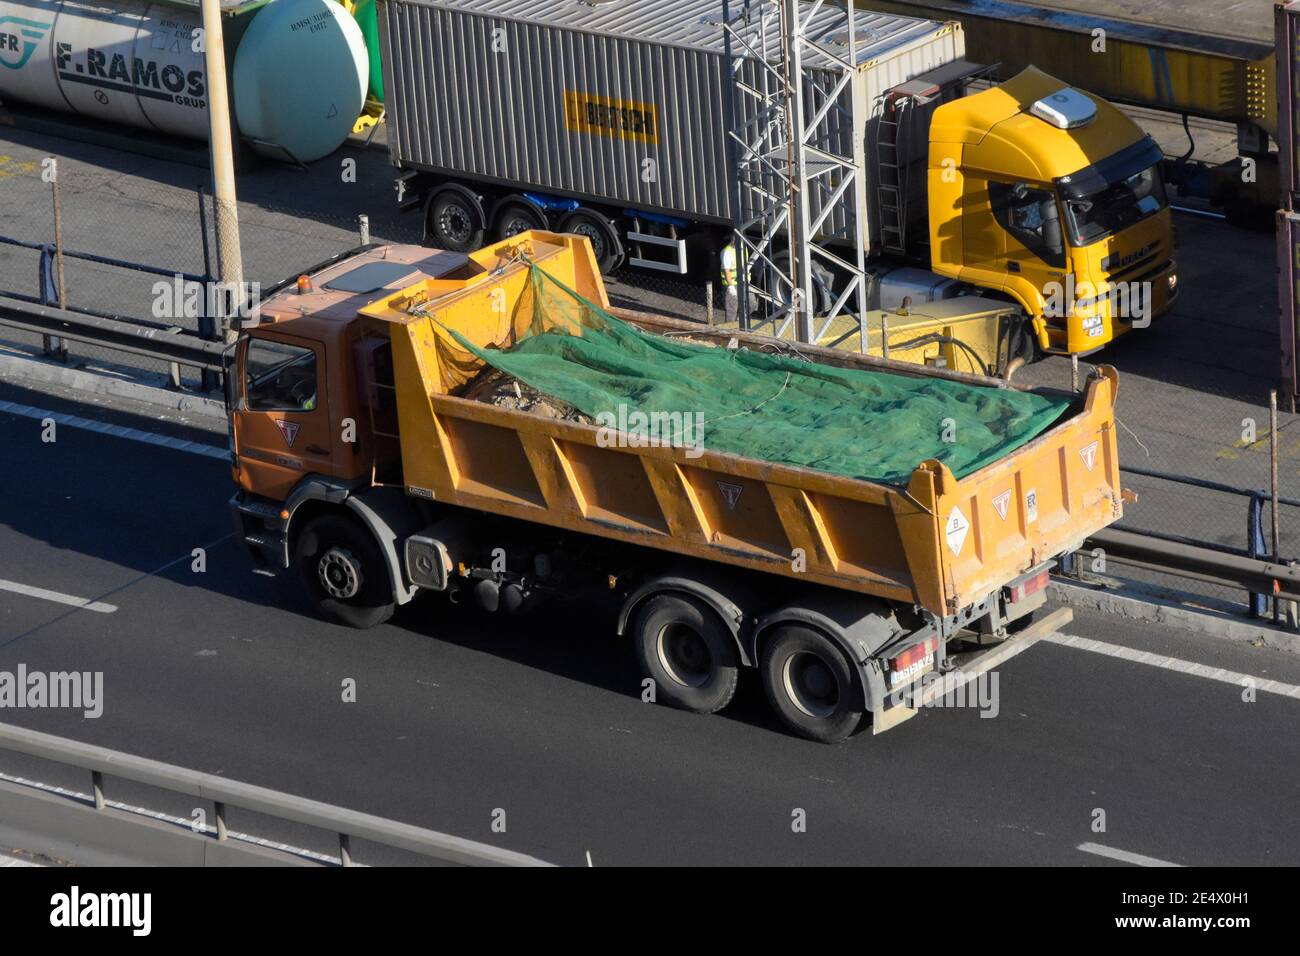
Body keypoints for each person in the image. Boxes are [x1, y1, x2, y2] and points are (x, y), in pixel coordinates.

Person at [720, 241, 739, 326]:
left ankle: (738, 321)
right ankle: (729, 330)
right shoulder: (727, 252)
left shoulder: (742, 248)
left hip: (742, 282)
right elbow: (726, 271)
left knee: (752, 304)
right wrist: (731, 286)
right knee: (731, 310)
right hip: (732, 284)